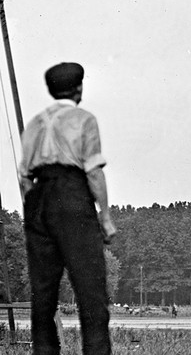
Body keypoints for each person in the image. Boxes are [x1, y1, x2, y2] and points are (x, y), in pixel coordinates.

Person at [18, 62, 116, 355]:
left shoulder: (35, 123)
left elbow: (24, 177)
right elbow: (94, 172)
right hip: (72, 196)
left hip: (38, 199)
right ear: (79, 88)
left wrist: (35, 210)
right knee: (90, 292)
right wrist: (106, 216)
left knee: (43, 294)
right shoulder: (84, 119)